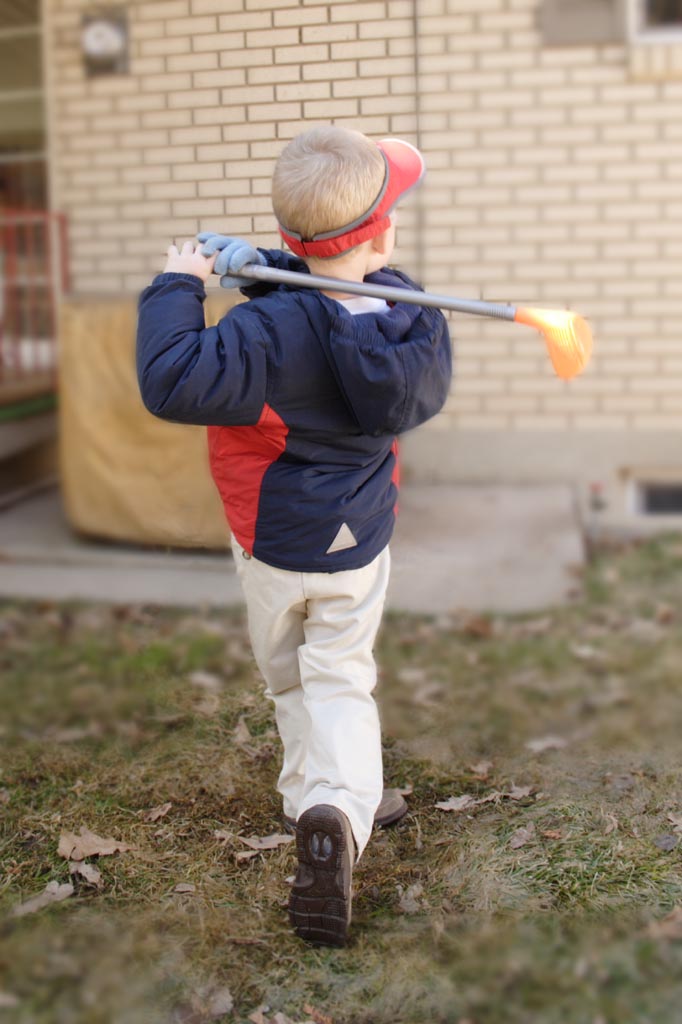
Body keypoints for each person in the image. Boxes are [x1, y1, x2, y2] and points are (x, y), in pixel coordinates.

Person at [136, 125, 452, 947]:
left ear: (286, 239)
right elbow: (336, 313)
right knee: (342, 675)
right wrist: (266, 279)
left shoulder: (259, 339)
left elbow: (169, 376)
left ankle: (319, 807)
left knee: (291, 681)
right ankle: (341, 804)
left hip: (272, 541)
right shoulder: (410, 321)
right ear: (383, 237)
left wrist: (180, 284)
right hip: (357, 542)